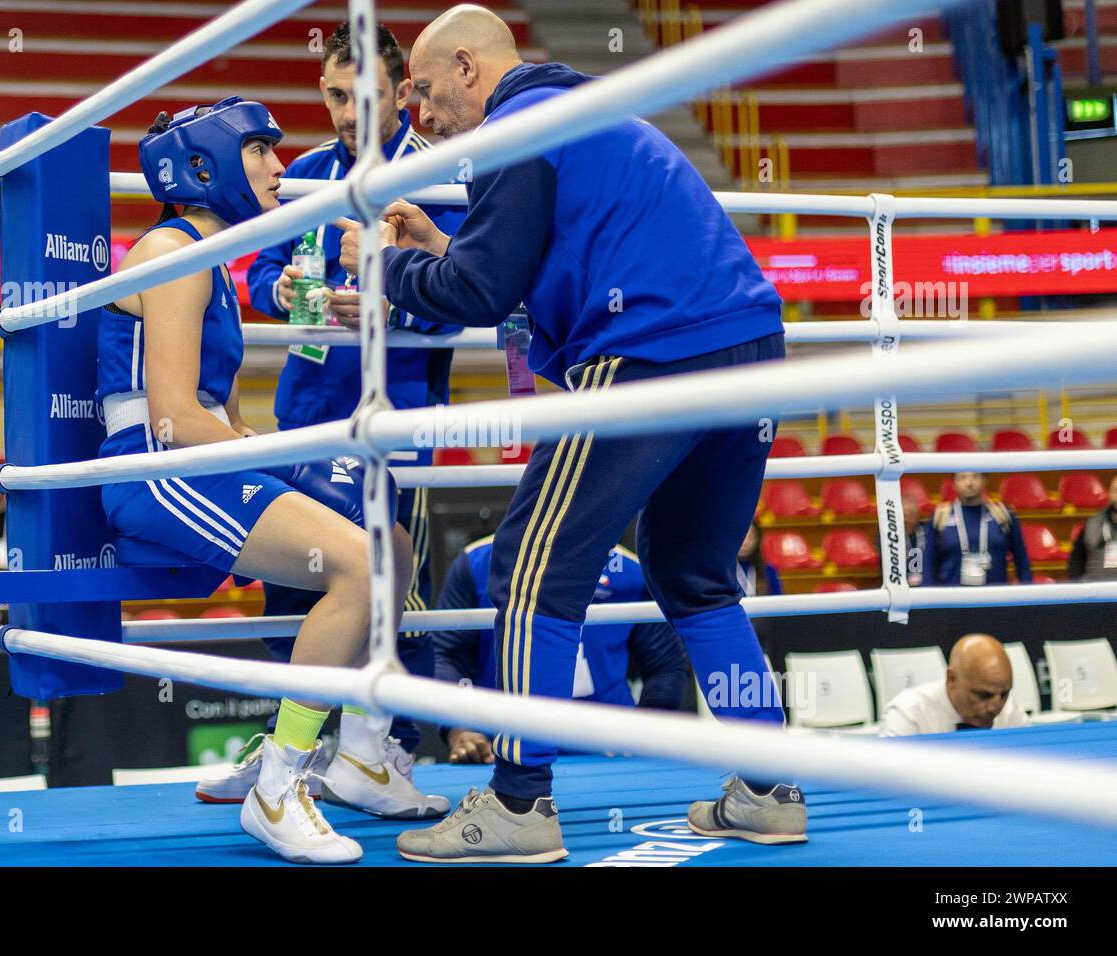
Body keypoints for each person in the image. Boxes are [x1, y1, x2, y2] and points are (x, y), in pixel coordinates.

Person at [338, 4, 803, 862]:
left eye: (430, 95)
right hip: (747, 351)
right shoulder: (587, 119)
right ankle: (769, 788)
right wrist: (441, 249)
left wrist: (389, 268)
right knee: (694, 575)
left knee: (526, 568)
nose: (422, 119)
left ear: (473, 70)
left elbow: (477, 293)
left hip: (652, 358)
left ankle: (518, 804)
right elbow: (516, 274)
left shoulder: (517, 129)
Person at [103, 97, 440, 865]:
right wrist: (271, 454)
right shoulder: (172, 251)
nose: (279, 168)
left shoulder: (208, 256)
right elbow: (173, 421)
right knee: (356, 562)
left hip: (191, 456)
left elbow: (218, 408)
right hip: (154, 469)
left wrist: (267, 448)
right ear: (203, 167)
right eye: (259, 150)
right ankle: (281, 783)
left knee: (384, 538)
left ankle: (356, 749)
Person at [243, 21, 467, 779]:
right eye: (334, 94)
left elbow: (467, 295)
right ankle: (290, 750)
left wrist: (388, 293)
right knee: (289, 589)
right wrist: (278, 290)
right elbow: (255, 270)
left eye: (360, 95)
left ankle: (373, 751)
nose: (345, 112)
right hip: (306, 412)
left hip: (393, 423)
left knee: (385, 587)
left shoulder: (441, 175)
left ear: (402, 92)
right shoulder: (302, 173)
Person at [430, 536, 689, 763]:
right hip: (502, 749)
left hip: (610, 750)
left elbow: (665, 665)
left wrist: (645, 732)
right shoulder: (477, 563)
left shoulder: (629, 570)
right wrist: (460, 729)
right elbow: (449, 655)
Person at [880, 633, 1029, 736]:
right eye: (983, 695)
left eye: (1004, 694)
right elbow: (888, 778)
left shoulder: (1011, 713)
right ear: (951, 679)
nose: (994, 708)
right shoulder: (909, 715)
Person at [922, 472, 1033, 587]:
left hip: (995, 598)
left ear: (985, 480)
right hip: (952, 599)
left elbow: (1022, 561)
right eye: (962, 477)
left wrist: (1029, 597)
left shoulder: (1003, 514)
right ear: (954, 483)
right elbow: (928, 563)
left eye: (975, 477)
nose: (969, 483)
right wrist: (926, 600)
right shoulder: (940, 516)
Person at [1067, 475, 1117, 582]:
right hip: (1097, 592)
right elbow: (1076, 560)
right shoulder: (1093, 524)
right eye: (1116, 490)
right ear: (1109, 494)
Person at [737, 522, 782, 597]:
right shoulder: (723, 573)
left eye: (750, 537)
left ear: (757, 540)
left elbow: (778, 602)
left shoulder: (769, 570)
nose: (745, 542)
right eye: (742, 537)